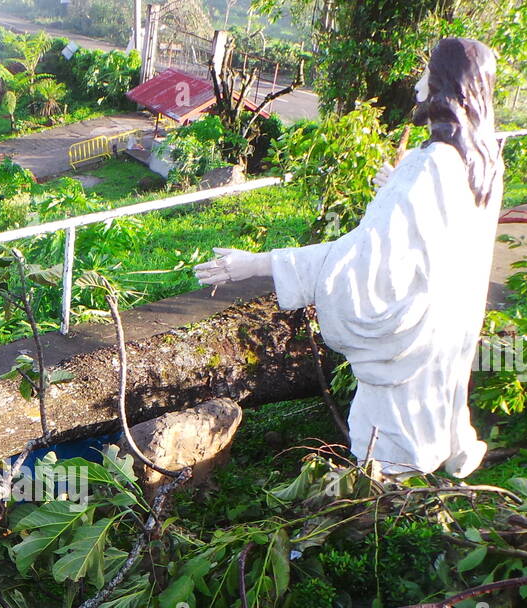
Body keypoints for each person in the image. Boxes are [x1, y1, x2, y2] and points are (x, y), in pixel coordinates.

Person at [196, 37, 504, 478]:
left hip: (408, 336)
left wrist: (255, 264)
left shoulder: (431, 164)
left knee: (387, 449)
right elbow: (435, 238)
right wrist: (394, 193)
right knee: (426, 418)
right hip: (447, 329)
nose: (418, 86)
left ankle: (387, 516)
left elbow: (360, 258)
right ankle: (425, 485)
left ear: (445, 86)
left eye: (426, 76)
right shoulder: (483, 161)